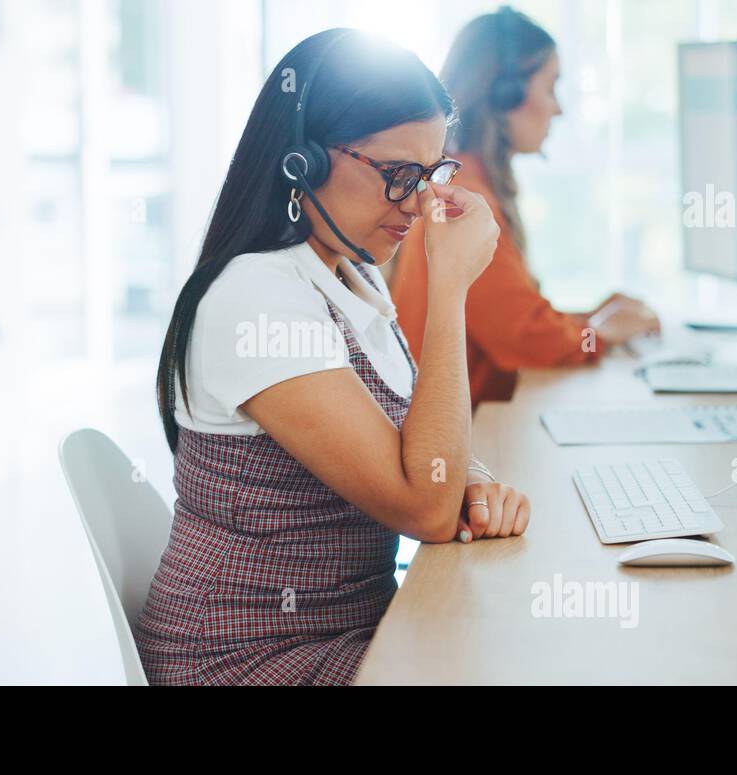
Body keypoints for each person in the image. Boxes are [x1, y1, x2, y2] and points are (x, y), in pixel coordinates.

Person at [137, 29, 529, 686]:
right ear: (301, 162)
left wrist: (473, 479)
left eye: (431, 174)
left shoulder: (353, 275)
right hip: (245, 659)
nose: (419, 205)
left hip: (348, 630)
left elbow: (410, 443)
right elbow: (422, 507)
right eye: (398, 175)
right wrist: (451, 286)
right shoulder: (258, 298)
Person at [389, 6, 660, 409]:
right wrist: (599, 332)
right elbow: (524, 338)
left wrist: (593, 316)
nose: (559, 109)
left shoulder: (467, 184)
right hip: (456, 437)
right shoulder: (461, 199)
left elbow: (514, 315)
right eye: (550, 88)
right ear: (505, 93)